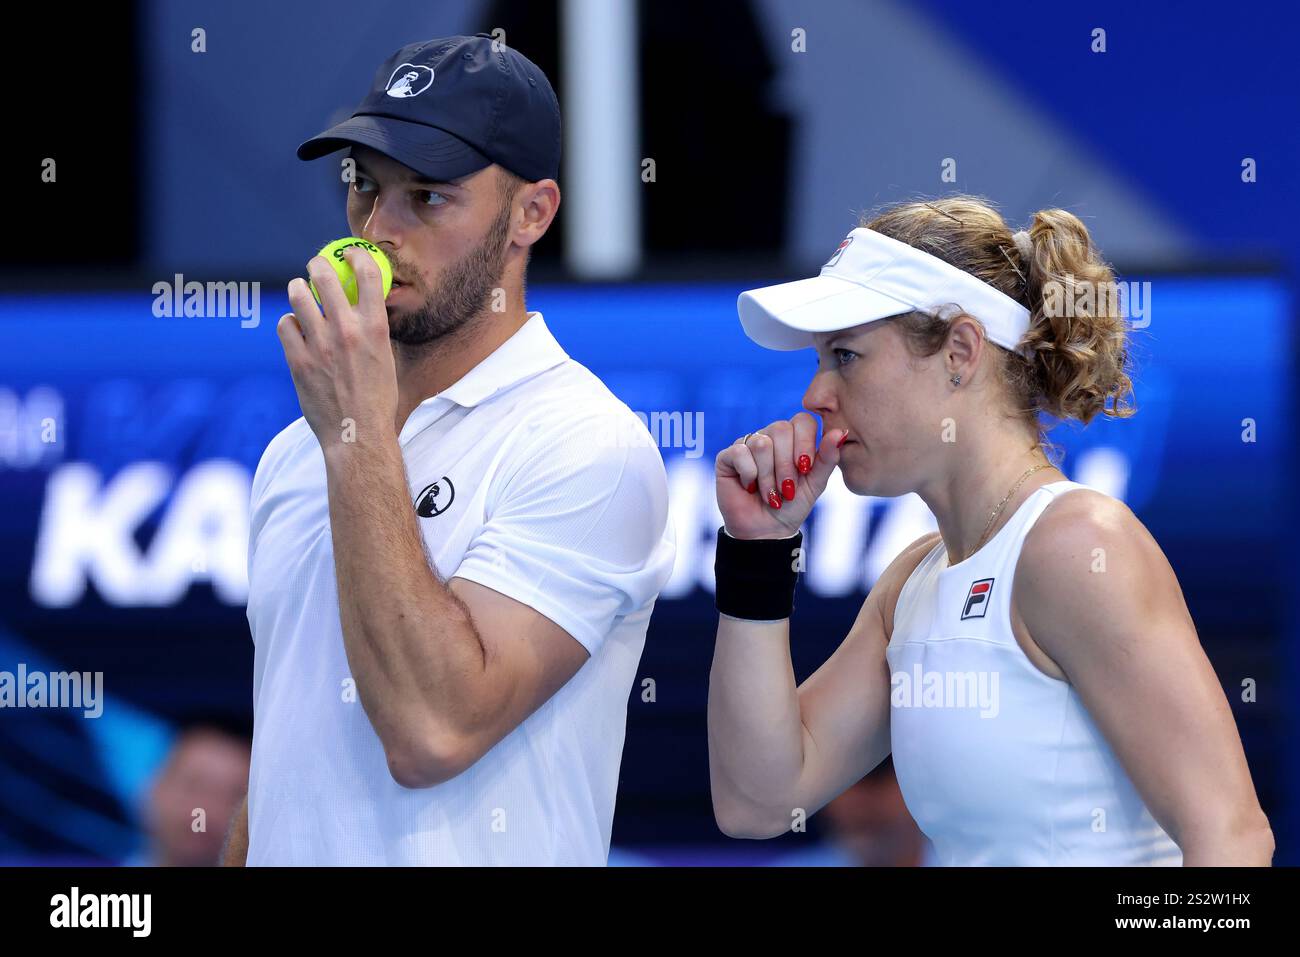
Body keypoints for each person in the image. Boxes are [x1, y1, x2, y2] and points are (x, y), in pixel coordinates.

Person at [706, 196, 1273, 865]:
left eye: (845, 356)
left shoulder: (1080, 547)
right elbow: (757, 800)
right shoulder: (909, 587)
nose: (816, 395)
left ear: (960, 350)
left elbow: (1232, 839)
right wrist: (758, 552)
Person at [224, 35, 675, 866]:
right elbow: (292, 756)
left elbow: (433, 731)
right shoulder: (297, 451)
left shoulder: (587, 445)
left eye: (428, 197)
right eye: (365, 186)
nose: (379, 231)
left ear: (532, 213)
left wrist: (356, 435)